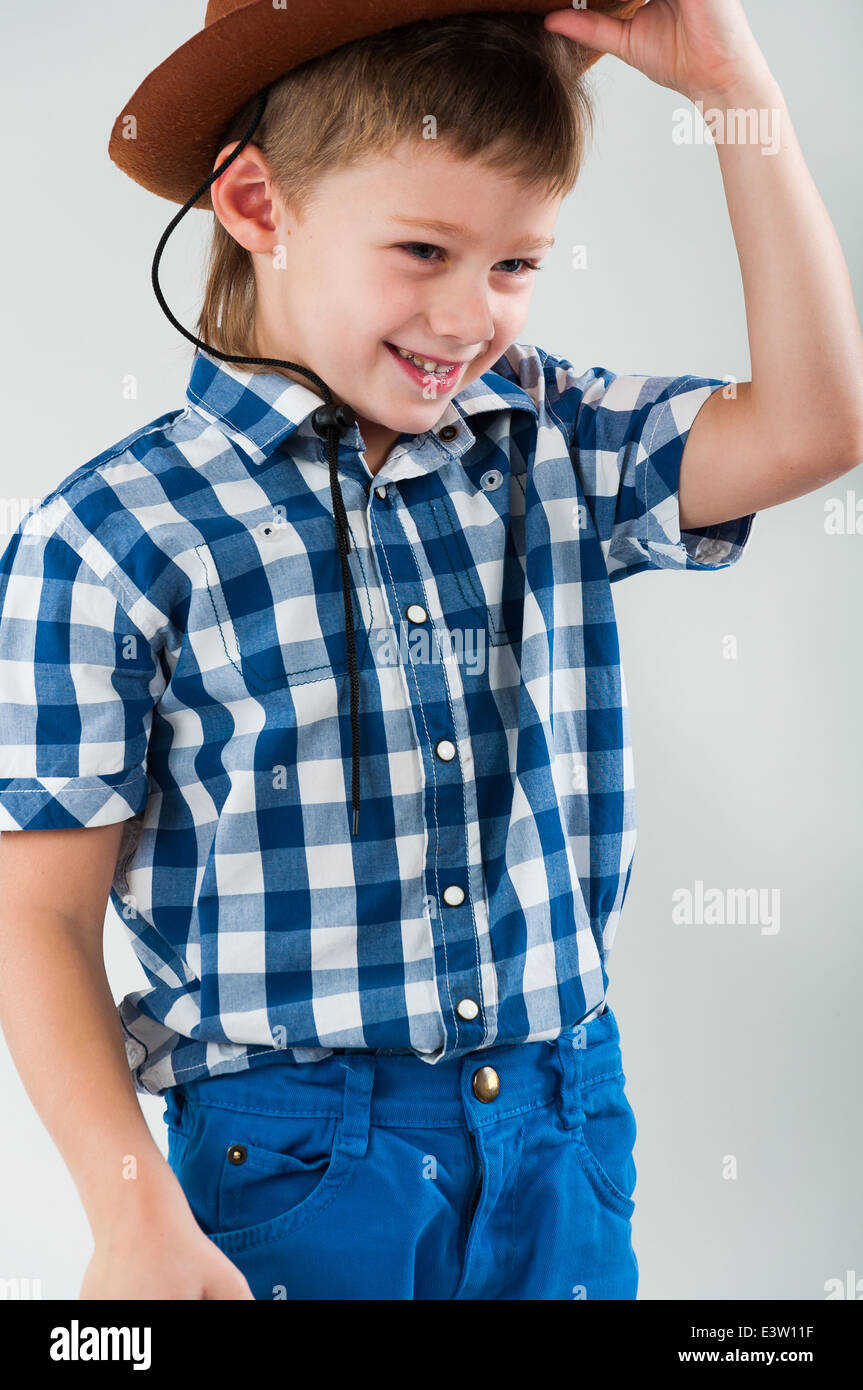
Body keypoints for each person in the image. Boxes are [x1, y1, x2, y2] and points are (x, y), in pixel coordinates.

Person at [0, 1, 861, 1301]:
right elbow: (40, 917)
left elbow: (815, 420)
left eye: (517, 264)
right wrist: (133, 1212)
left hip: (562, 1129)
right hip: (292, 1166)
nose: (473, 317)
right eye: (422, 248)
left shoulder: (550, 436)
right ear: (253, 202)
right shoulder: (109, 538)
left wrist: (735, 85)